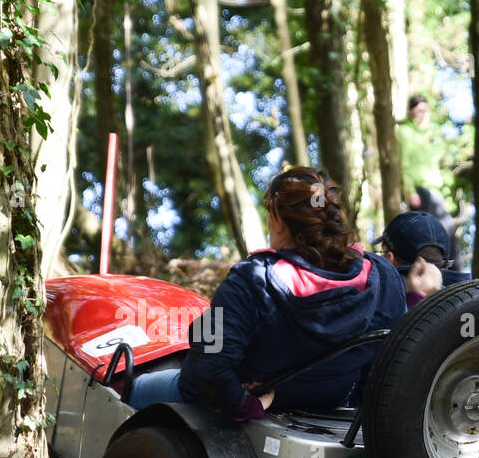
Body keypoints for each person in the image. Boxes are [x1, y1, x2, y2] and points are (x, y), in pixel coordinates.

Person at [128, 168, 441, 419]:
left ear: (280, 219)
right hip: (328, 405)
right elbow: (394, 352)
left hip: (231, 402)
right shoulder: (383, 274)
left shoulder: (251, 277)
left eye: (270, 212)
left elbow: (209, 365)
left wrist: (245, 406)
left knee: (133, 387)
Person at [396, 94, 462, 270]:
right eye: (419, 111)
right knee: (439, 233)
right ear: (411, 112)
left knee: (447, 234)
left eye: (425, 111)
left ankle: (452, 276)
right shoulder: (405, 132)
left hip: (435, 190)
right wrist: (410, 191)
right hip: (420, 190)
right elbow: (405, 164)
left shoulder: (427, 133)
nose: (423, 115)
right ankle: (450, 276)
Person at [378, 210, 473, 289]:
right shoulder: (475, 293)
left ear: (390, 259)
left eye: (382, 253)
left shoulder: (379, 300)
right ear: (446, 268)